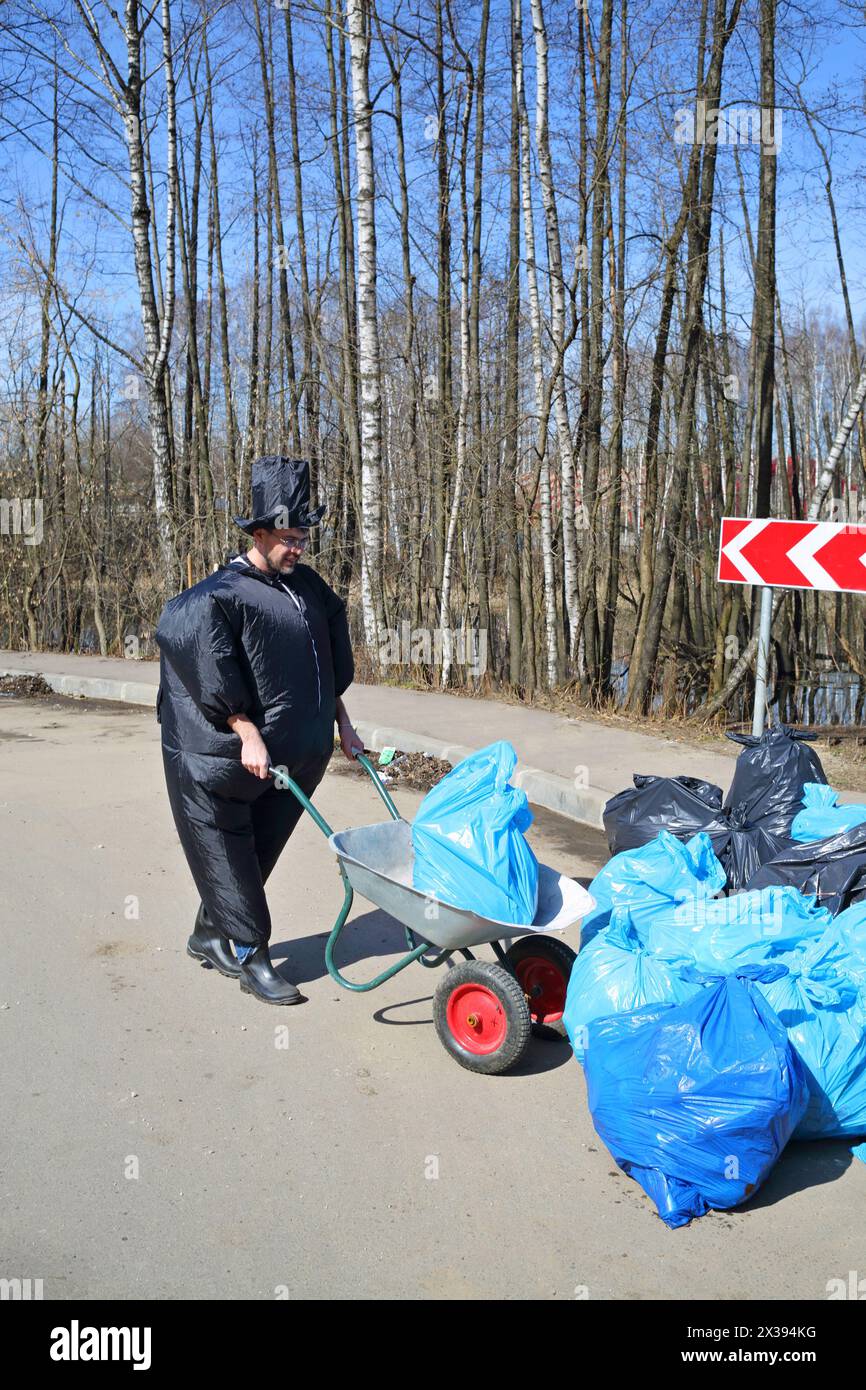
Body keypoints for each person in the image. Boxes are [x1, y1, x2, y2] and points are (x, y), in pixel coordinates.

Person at [155, 456, 361, 1005]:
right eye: (289, 539)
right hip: (219, 759)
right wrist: (243, 727)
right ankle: (253, 955)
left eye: (303, 538)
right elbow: (191, 644)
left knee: (256, 855)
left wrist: (343, 725)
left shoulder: (307, 588)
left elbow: (325, 668)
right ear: (261, 533)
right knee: (225, 851)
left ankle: (209, 932)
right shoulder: (220, 595)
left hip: (291, 760)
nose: (298, 548)